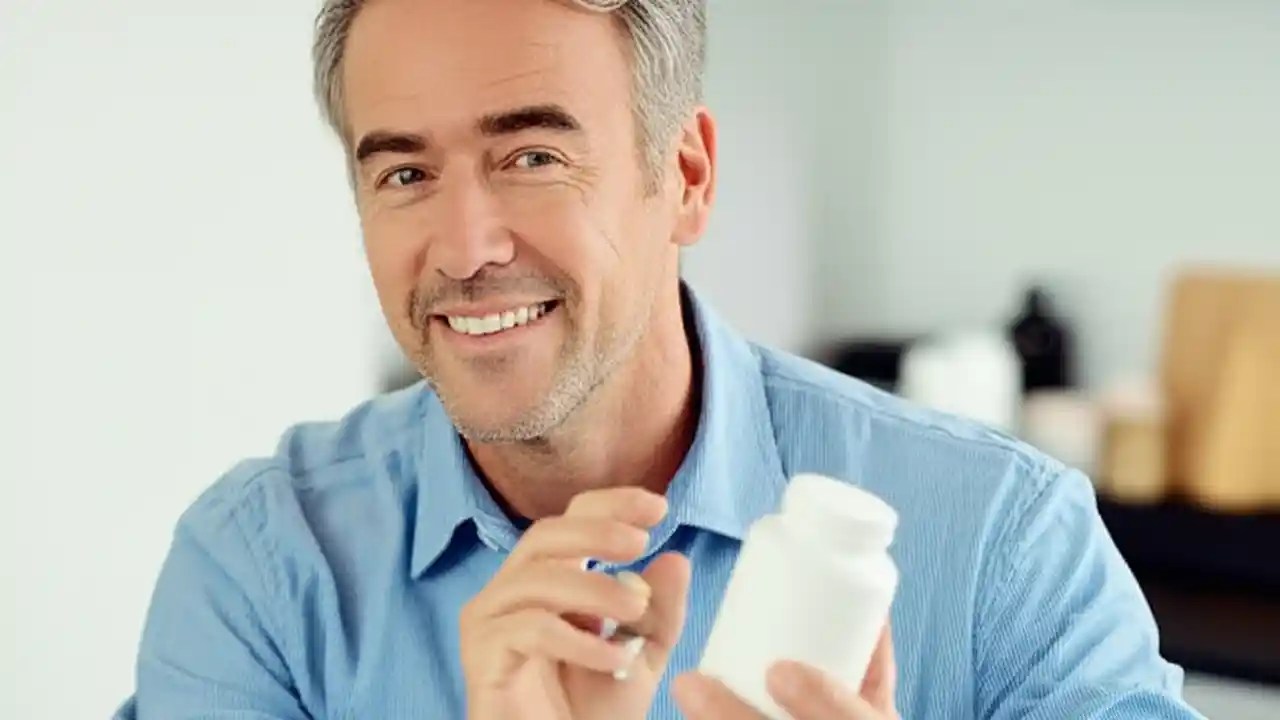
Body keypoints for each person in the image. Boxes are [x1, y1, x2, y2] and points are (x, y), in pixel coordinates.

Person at [116, 0, 1205, 718]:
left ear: (683, 174)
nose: (465, 247)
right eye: (403, 175)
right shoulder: (263, 570)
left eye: (532, 156)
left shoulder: (996, 543)